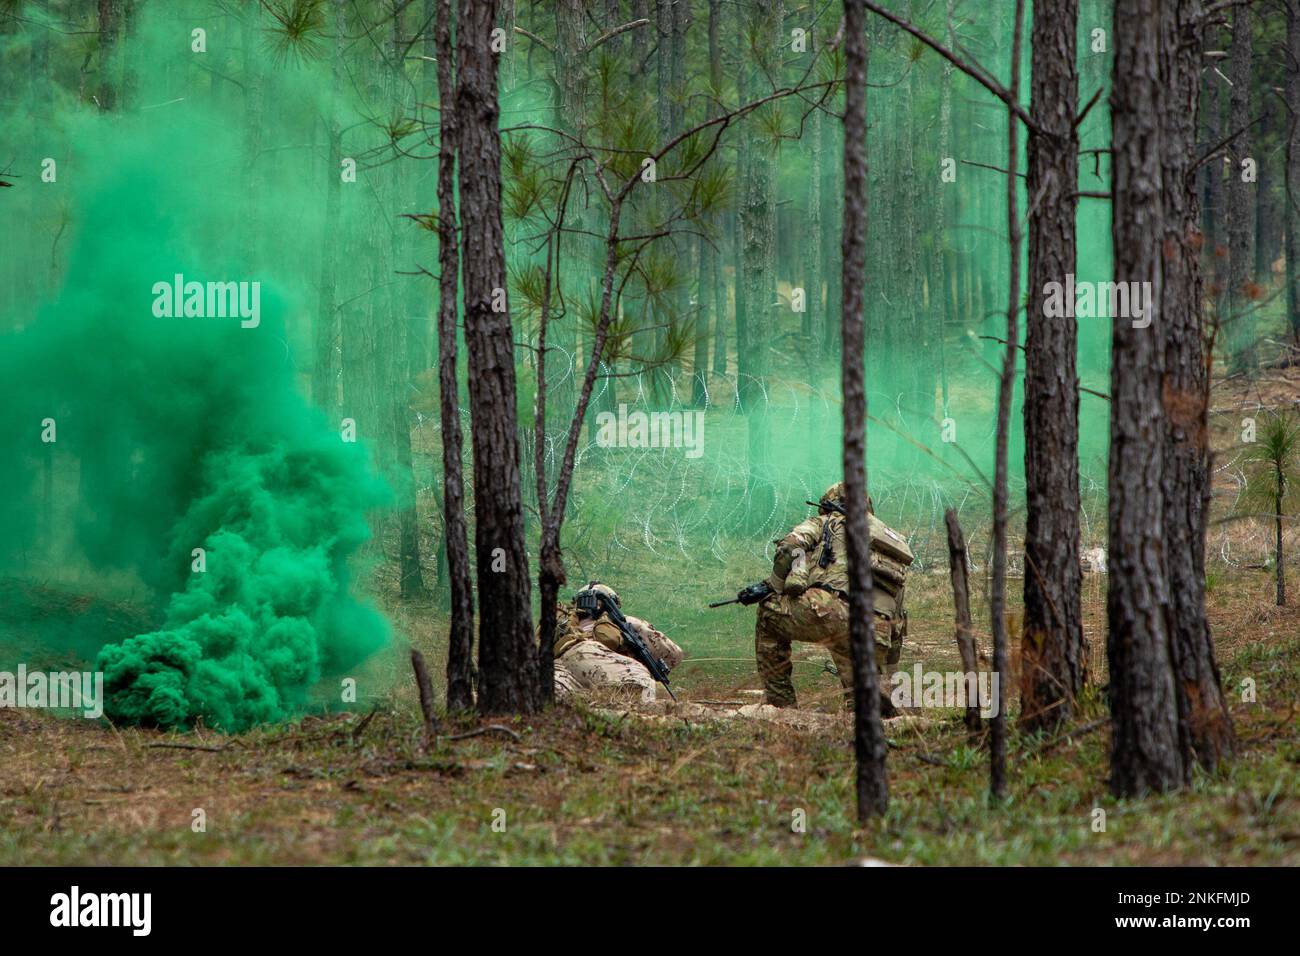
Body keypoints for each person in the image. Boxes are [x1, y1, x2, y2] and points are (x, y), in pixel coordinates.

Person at [754, 482, 913, 711]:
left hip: (833, 611)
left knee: (768, 612)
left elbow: (789, 547)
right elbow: (898, 616)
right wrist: (887, 666)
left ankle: (782, 707)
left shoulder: (828, 521)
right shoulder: (891, 543)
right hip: (876, 631)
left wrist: (775, 586)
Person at [549, 582, 683, 703]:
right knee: (641, 685)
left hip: (558, 665)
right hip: (591, 654)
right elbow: (674, 655)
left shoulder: (562, 623)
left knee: (560, 706)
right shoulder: (623, 621)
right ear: (611, 602)